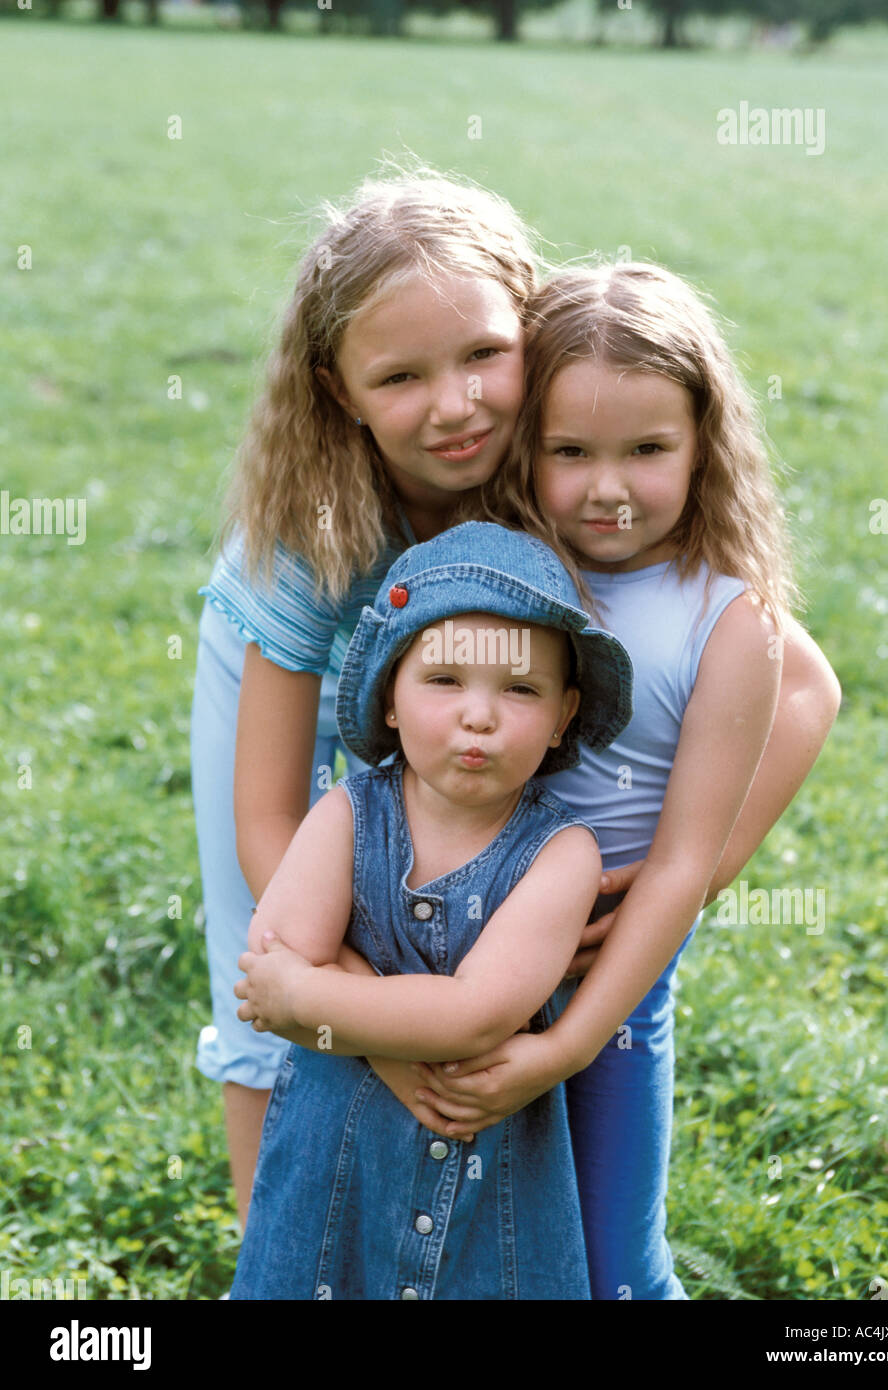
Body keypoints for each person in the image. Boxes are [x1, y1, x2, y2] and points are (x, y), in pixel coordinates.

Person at [400, 262, 842, 1299]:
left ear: (704, 446)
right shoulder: (502, 572)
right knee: (460, 1239)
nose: (609, 486)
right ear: (528, 448)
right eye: (570, 452)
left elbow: (687, 853)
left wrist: (577, 1033)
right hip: (447, 950)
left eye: (648, 450)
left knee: (611, 1264)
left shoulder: (724, 617)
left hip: (612, 982)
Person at [189, 164, 538, 1227]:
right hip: (284, 682)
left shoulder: (568, 451)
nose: (456, 406)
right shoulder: (307, 526)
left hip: (458, 693)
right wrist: (373, 1028)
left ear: (530, 320)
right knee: (266, 949)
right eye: (399, 379)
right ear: (339, 389)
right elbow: (266, 822)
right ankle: (271, 1239)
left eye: (485, 352)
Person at [228, 522, 634, 1300]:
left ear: (561, 713)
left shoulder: (562, 855)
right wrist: (293, 984)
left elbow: (475, 1015)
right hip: (329, 1180)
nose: (476, 716)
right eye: (443, 680)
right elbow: (275, 944)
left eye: (519, 689)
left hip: (492, 1191)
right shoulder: (347, 812)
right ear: (388, 696)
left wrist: (306, 999)